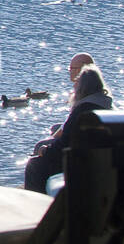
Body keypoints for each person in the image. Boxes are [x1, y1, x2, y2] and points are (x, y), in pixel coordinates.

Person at [23, 62, 113, 193]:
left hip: (80, 163)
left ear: (83, 87)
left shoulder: (83, 110)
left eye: (77, 82)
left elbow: (64, 145)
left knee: (34, 165)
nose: (74, 85)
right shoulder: (106, 105)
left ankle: (39, 207)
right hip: (99, 160)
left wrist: (45, 151)